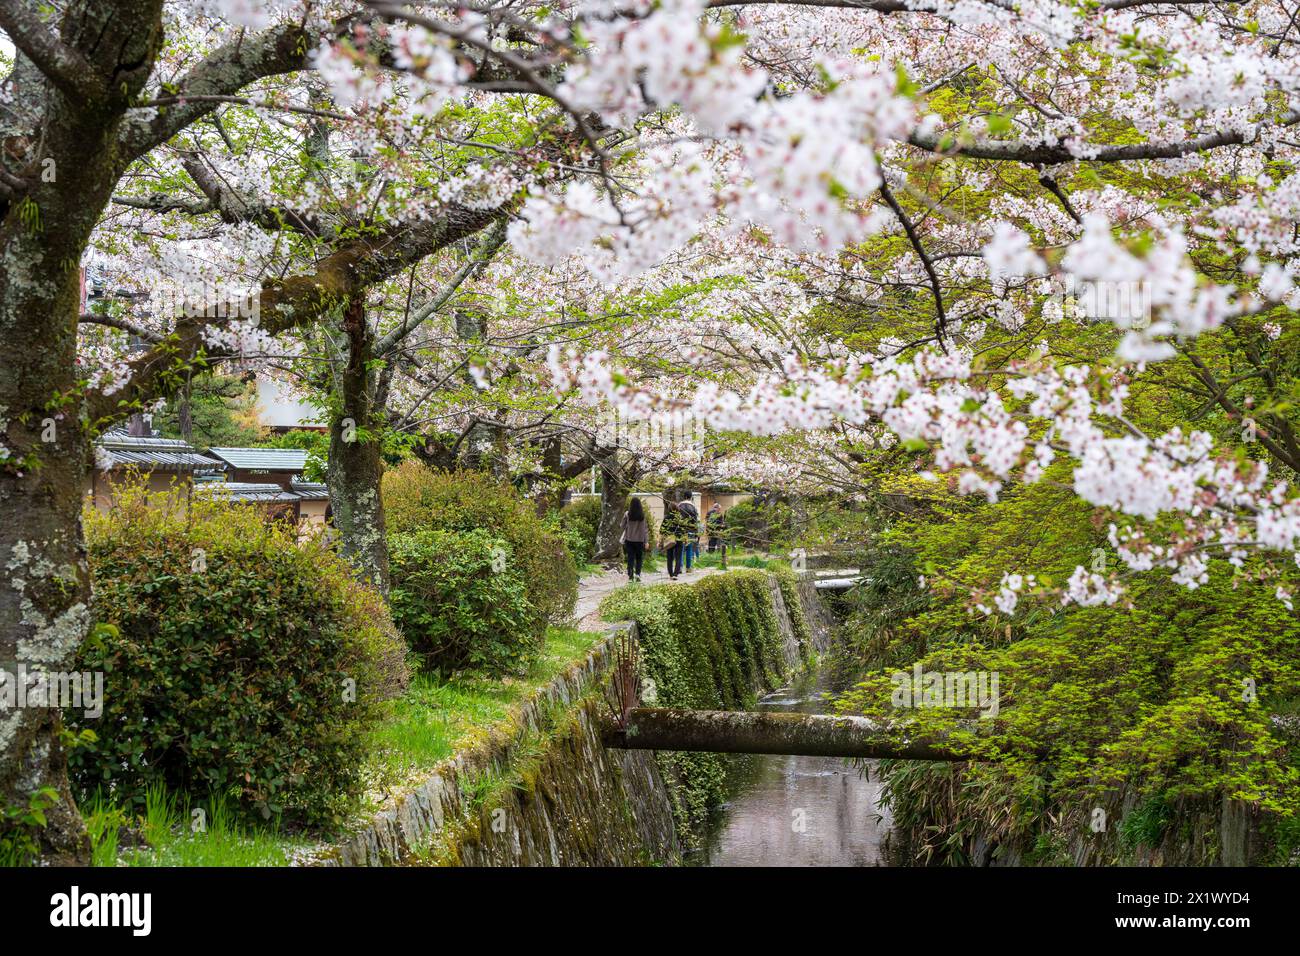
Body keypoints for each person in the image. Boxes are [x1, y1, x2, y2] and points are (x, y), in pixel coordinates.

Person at [660, 500, 691, 579]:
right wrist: (686, 539)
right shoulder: (680, 517)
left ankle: (670, 574)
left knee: (669, 557)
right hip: (679, 539)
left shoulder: (667, 517)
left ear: (669, 508)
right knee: (678, 557)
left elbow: (662, 530)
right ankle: (675, 574)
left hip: (669, 539)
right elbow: (684, 529)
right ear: (677, 508)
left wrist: (662, 539)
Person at [621, 497, 649, 582]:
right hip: (640, 540)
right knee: (639, 558)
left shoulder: (627, 514)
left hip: (629, 539)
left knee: (630, 558)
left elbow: (622, 525)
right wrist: (646, 541)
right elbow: (645, 529)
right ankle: (638, 574)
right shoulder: (642, 516)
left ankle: (630, 576)